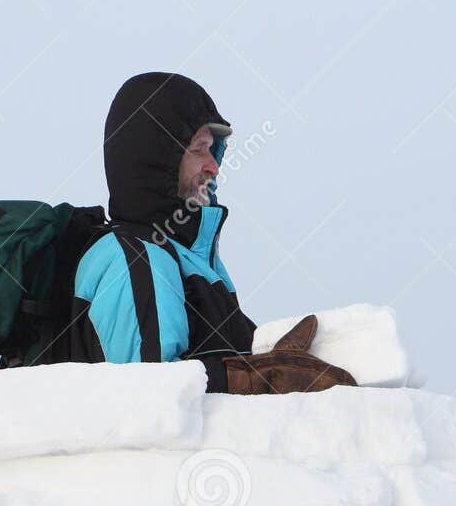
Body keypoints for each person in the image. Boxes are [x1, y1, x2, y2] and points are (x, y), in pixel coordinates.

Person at [73, 71, 356, 395]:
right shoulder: (136, 258)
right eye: (198, 148)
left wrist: (269, 360)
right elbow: (148, 397)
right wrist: (255, 379)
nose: (213, 165)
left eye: (213, 149)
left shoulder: (187, 258)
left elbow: (217, 367)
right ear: (157, 155)